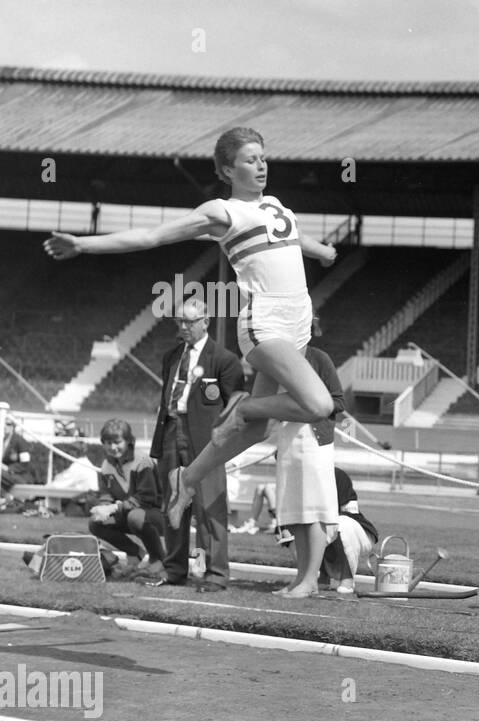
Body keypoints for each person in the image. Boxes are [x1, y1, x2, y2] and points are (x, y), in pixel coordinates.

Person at [43, 126, 337, 532]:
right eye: (250, 160)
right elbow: (151, 236)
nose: (261, 165)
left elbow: (290, 237)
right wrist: (83, 244)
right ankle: (244, 406)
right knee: (318, 405)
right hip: (264, 321)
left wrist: (322, 251)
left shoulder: (273, 204)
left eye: (263, 157)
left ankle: (189, 478)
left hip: (299, 318)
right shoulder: (221, 212)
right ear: (227, 170)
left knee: (260, 430)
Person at [146, 300, 246, 592]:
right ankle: (175, 570)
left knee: (210, 505)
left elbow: (237, 406)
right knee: (173, 504)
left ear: (206, 321)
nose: (183, 327)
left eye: (189, 322)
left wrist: (226, 444)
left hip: (206, 440)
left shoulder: (225, 360)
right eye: (179, 322)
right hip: (171, 433)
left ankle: (215, 574)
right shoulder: (172, 356)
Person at [273, 333, 344, 599]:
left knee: (313, 511)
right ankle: (301, 577)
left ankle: (311, 578)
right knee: (296, 513)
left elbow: (338, 401)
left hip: (314, 441)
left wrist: (309, 406)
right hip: (289, 440)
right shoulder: (276, 360)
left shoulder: (319, 358)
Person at [87, 419, 166, 579]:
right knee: (95, 522)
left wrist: (113, 508)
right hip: (128, 512)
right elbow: (106, 494)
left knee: (135, 516)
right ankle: (134, 552)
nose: (112, 447)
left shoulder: (142, 461)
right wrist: (102, 508)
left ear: (129, 441)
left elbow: (146, 499)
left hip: (156, 514)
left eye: (117, 442)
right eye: (107, 443)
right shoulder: (106, 465)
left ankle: (158, 559)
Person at [318, 467, 379, 597]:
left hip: (356, 529)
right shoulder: (294, 480)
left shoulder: (338, 475)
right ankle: (319, 576)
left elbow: (350, 514)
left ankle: (347, 578)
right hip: (325, 527)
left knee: (338, 524)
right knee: (309, 527)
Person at [2, 417, 36, 500]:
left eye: (8, 424)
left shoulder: (20, 441)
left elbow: (25, 464)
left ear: (13, 426)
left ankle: (8, 498)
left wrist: (8, 468)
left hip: (19, 476)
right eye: (2, 423)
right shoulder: (1, 440)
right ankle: (7, 498)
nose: (4, 426)